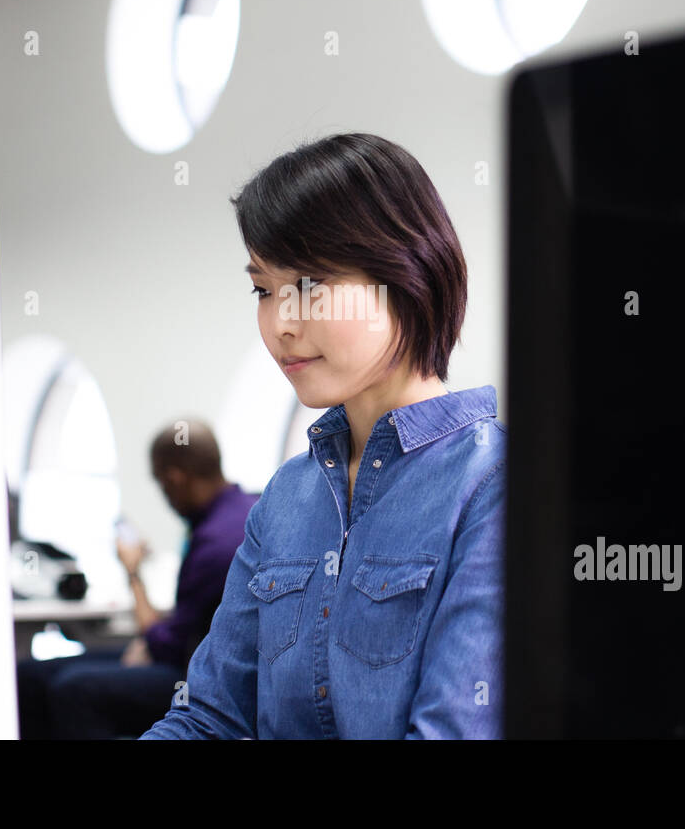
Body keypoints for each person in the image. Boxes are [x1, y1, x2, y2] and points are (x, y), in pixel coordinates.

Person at [140, 132, 506, 739]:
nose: (280, 323)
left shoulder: (493, 485)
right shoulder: (286, 496)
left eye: (309, 285)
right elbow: (210, 718)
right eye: (263, 289)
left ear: (406, 272)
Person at [15, 420, 256, 738]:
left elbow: (165, 645)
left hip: (195, 673)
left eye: (162, 484)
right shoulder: (247, 510)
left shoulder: (214, 541)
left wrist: (132, 571)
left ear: (175, 478)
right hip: (199, 656)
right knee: (33, 675)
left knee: (74, 689)